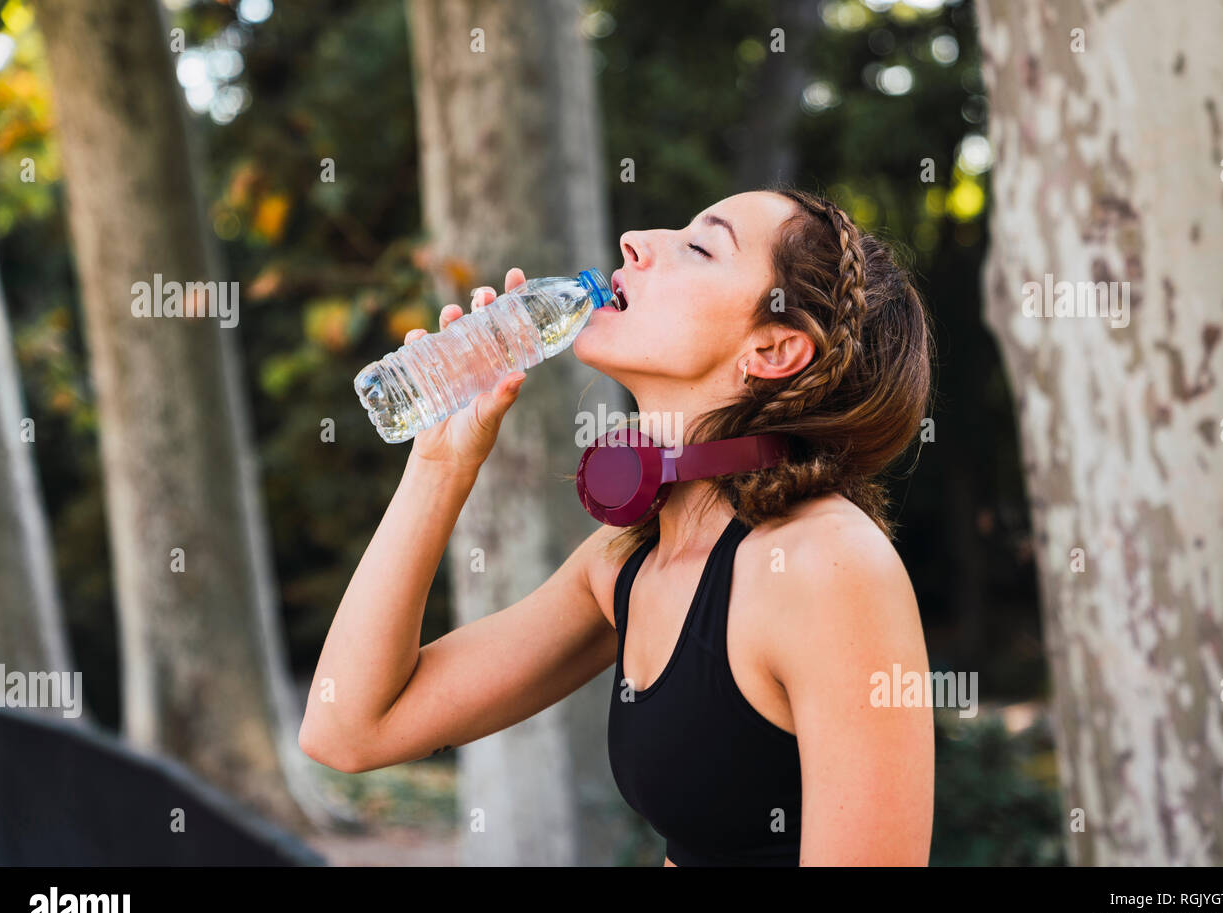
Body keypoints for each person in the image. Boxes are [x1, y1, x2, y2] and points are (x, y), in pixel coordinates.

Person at [299, 187, 935, 866]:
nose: (635, 239)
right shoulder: (628, 559)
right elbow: (350, 729)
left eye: (699, 246)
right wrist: (441, 463)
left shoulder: (829, 565)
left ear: (774, 349)